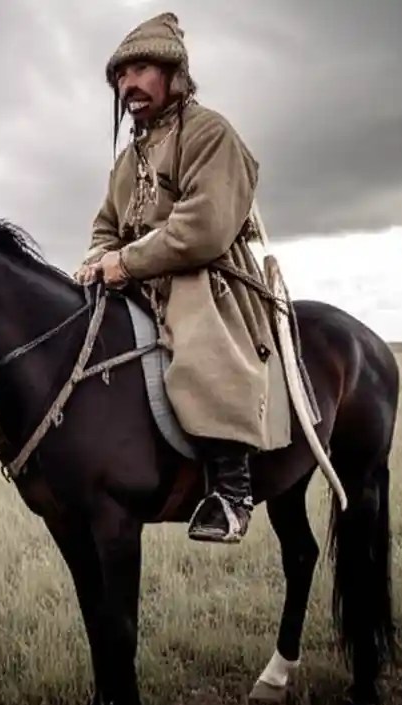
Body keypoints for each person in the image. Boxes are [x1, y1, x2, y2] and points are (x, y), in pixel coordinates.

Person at [75, 12, 292, 544]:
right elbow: (107, 224)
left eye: (142, 68)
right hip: (142, 282)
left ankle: (232, 490)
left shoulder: (210, 133)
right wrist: (99, 258)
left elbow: (203, 228)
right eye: (121, 76)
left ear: (175, 75)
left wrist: (124, 263)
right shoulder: (128, 161)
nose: (129, 84)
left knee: (200, 333)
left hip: (209, 279)